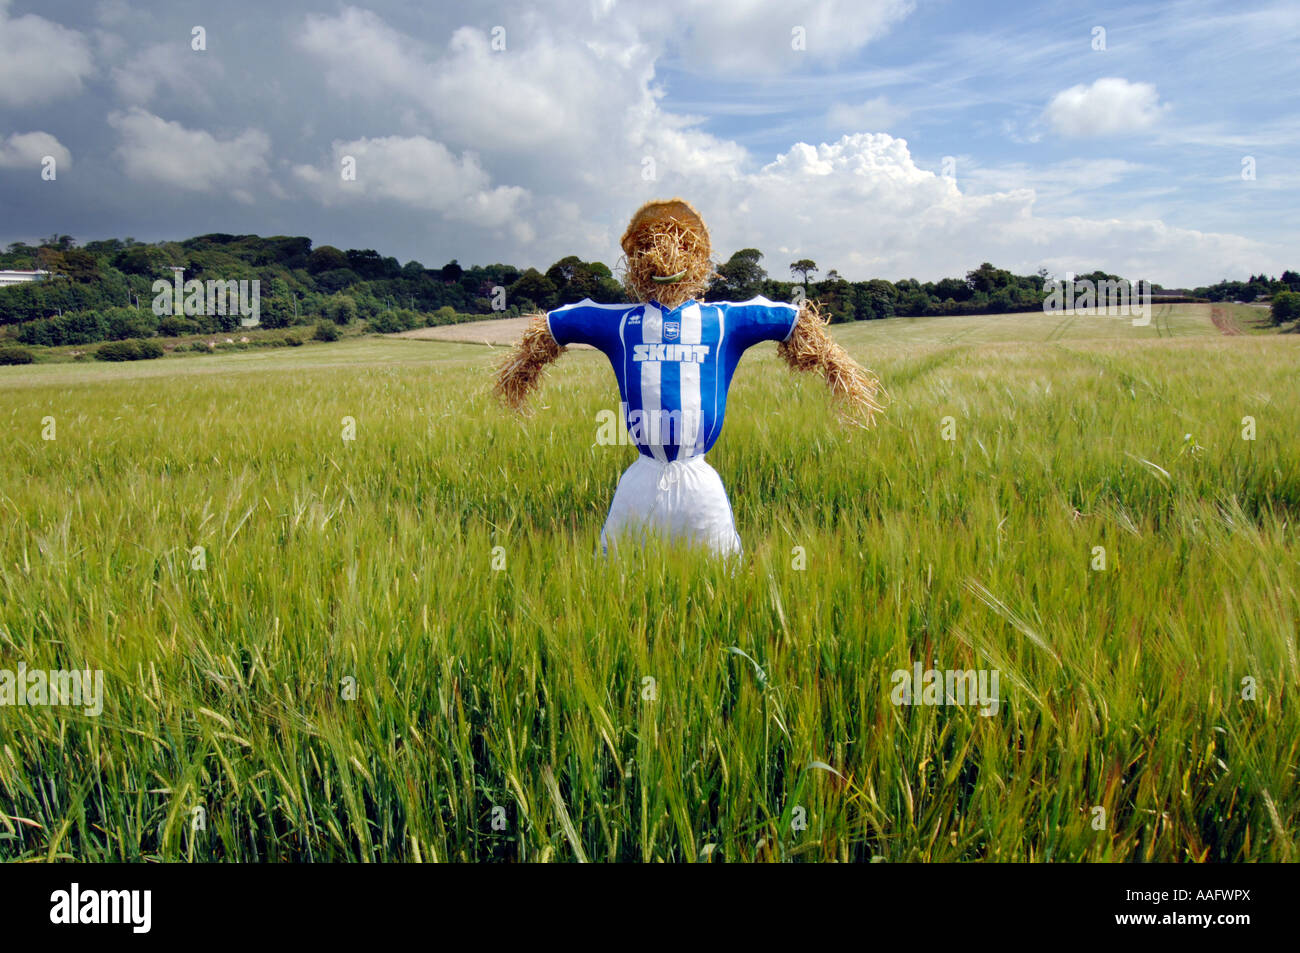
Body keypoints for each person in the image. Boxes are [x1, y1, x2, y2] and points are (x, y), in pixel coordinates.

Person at [492, 198, 884, 557]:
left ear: (700, 260)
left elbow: (793, 320)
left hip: (699, 479)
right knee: (620, 572)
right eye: (648, 247)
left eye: (682, 245)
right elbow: (554, 326)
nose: (664, 257)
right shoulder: (620, 322)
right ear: (634, 262)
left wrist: (840, 372)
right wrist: (519, 373)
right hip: (641, 478)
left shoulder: (724, 320)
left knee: (715, 572)